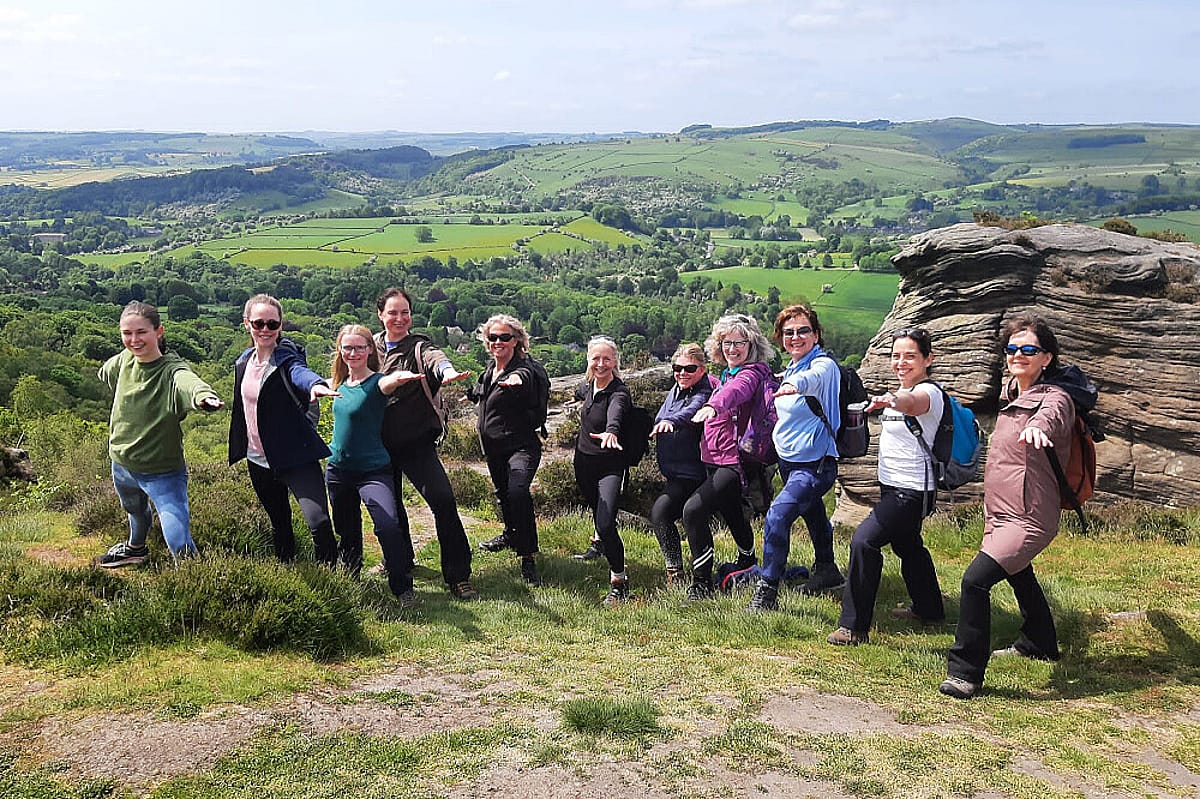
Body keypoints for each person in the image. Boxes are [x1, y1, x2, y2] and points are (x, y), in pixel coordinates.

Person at [941, 314, 1073, 699]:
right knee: (1020, 575)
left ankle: (965, 672)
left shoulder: (1055, 398)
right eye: (1012, 349)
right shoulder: (1011, 392)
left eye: (1029, 349)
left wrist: (1038, 428)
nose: (1018, 354)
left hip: (1029, 516)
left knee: (975, 581)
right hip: (999, 512)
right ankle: (1040, 642)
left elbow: (1052, 417)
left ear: (1047, 357)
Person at [827, 327, 945, 645]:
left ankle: (853, 627)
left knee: (864, 542)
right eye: (896, 356)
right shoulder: (901, 391)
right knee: (907, 545)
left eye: (910, 356)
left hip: (912, 490)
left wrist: (894, 399)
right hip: (893, 487)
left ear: (928, 359)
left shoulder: (928, 393)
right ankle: (929, 608)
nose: (901, 362)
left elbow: (912, 402)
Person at [94, 301, 223, 567]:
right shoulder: (125, 360)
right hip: (122, 463)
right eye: (127, 333)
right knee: (135, 511)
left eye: (141, 332)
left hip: (162, 471)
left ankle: (196, 580)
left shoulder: (170, 370)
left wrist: (203, 396)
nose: (134, 340)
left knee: (177, 537)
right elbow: (106, 372)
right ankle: (135, 549)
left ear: (158, 331)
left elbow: (188, 383)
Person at [373, 288, 478, 601]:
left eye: (405, 312)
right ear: (380, 315)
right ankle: (399, 561)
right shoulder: (370, 345)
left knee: (443, 501)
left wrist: (447, 372)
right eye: (393, 312)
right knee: (391, 509)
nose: (400, 318)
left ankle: (458, 575)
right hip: (377, 443)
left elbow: (436, 359)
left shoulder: (418, 346)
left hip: (416, 442)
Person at [228, 294, 340, 565]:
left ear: (280, 325)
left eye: (272, 324)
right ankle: (287, 567)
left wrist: (315, 384)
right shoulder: (243, 361)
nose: (265, 329)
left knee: (319, 521)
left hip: (296, 456)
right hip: (258, 459)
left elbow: (299, 373)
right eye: (259, 323)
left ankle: (333, 577)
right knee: (279, 521)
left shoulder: (287, 358)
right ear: (247, 323)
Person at [747, 305, 844, 612]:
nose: (795, 337)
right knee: (813, 513)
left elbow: (813, 379)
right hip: (790, 462)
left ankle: (767, 593)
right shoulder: (792, 366)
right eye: (788, 332)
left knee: (777, 516)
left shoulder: (823, 366)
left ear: (816, 335)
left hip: (816, 464)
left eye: (803, 330)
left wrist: (793, 385)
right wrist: (785, 379)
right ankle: (827, 570)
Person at [325, 324, 426, 605]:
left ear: (370, 349)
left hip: (373, 471)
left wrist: (401, 377)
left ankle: (402, 587)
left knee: (388, 526)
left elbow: (389, 382)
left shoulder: (377, 382)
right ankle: (350, 579)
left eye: (359, 347)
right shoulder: (337, 384)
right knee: (347, 531)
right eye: (348, 347)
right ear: (340, 351)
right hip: (338, 470)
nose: (353, 353)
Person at [686, 314, 774, 600]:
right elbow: (726, 386)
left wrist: (714, 405)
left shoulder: (750, 373)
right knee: (731, 511)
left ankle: (701, 583)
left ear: (752, 345)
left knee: (693, 511)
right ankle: (748, 562)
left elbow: (736, 393)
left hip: (732, 463)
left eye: (739, 343)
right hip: (714, 459)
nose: (732, 349)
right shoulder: (727, 374)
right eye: (726, 342)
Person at [469, 314, 544, 585]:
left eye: (504, 337)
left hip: (521, 446)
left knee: (518, 491)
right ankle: (511, 534)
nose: (498, 342)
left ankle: (528, 556)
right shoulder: (490, 369)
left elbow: (524, 378)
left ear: (516, 341)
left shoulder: (523, 369)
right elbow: (481, 393)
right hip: (494, 447)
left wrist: (515, 381)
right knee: (503, 494)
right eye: (493, 337)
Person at [573, 336, 633, 605]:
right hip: (583, 462)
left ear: (615, 361)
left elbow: (616, 413)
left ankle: (619, 581)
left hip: (610, 466)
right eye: (595, 358)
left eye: (606, 359)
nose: (600, 364)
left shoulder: (619, 392)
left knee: (607, 522)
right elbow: (579, 393)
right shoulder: (587, 386)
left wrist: (611, 432)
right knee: (596, 510)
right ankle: (599, 544)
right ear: (588, 360)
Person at [649, 343, 714, 585]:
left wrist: (672, 422)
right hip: (676, 473)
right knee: (665, 515)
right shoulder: (676, 390)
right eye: (677, 368)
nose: (682, 373)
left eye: (689, 368)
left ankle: (699, 577)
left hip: (695, 474)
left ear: (702, 369)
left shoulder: (705, 392)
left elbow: (692, 411)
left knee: (680, 515)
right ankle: (676, 572)